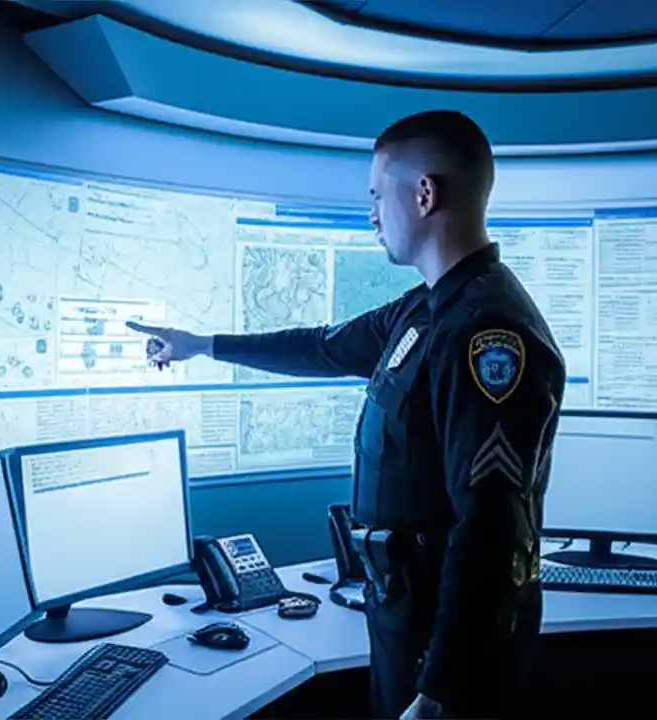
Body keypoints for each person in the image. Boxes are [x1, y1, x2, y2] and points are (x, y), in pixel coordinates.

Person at [127, 109, 566, 719]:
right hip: (403, 609)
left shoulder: (486, 331)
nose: (370, 214)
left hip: (446, 645)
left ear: (424, 193)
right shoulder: (427, 310)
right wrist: (202, 344)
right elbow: (322, 346)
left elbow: (492, 527)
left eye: (375, 194)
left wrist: (440, 692)